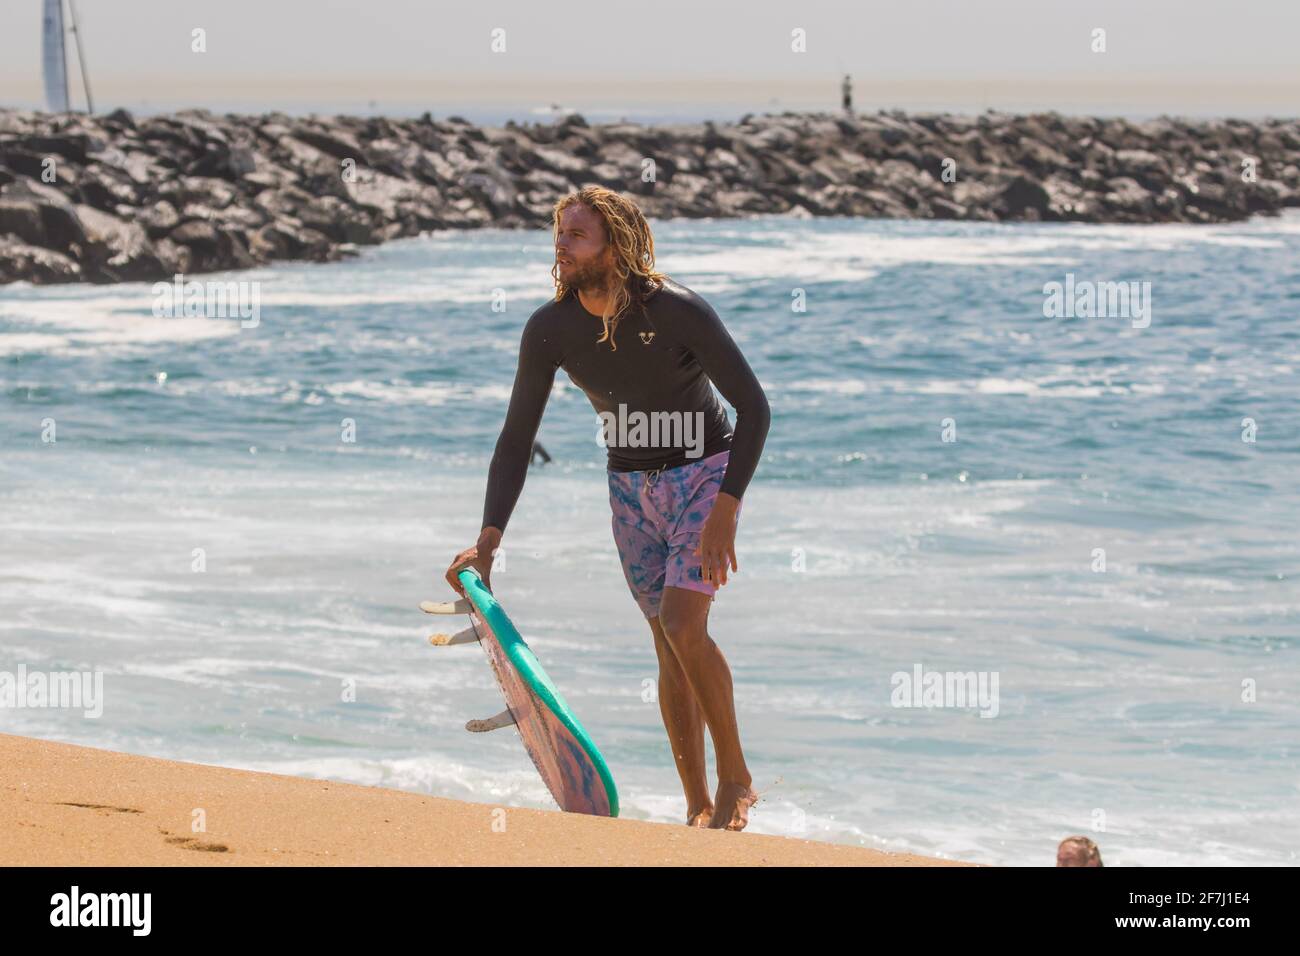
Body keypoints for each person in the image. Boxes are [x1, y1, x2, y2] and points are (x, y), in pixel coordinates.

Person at [445, 186, 771, 830]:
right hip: (630, 491)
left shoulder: (677, 311)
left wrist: (727, 508)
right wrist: (488, 539)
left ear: (615, 246)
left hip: (704, 477)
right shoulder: (551, 329)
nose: (561, 246)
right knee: (665, 642)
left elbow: (754, 408)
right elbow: (516, 439)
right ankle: (696, 804)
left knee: (684, 626)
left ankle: (736, 778)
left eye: (577, 236)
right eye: (558, 234)